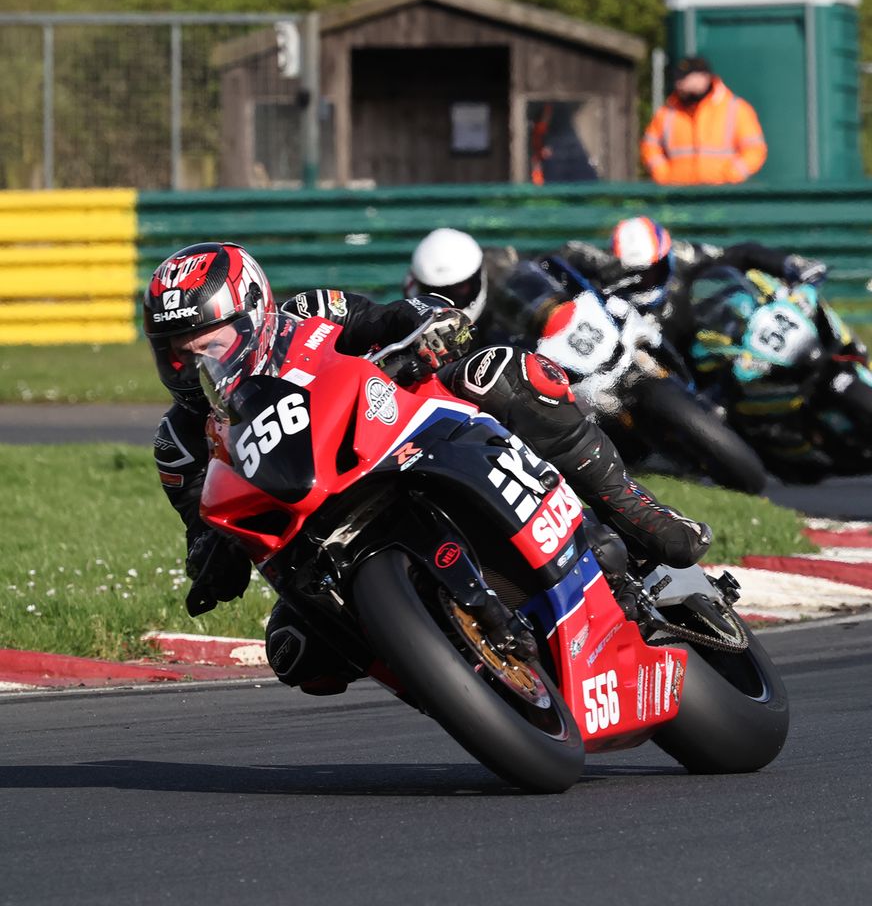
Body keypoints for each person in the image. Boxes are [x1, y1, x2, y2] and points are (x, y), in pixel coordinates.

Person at [145, 242, 711, 694]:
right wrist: (212, 562)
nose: (195, 364)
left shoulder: (309, 315)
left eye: (210, 344)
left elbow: (393, 316)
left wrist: (428, 329)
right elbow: (203, 526)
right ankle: (445, 673)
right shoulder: (179, 442)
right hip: (316, 531)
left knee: (506, 374)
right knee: (297, 653)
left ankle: (634, 509)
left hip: (397, 431)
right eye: (176, 352)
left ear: (255, 316)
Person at [552, 216, 827, 354]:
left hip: (731, 336)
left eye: (655, 267)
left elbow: (738, 254)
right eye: (640, 272)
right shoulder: (615, 291)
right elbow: (567, 255)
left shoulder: (685, 256)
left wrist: (788, 264)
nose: (649, 278)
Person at [640, 56, 767, 185]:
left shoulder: (737, 109)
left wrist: (731, 175)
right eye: (677, 78)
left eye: (684, 78)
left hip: (722, 194)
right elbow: (649, 147)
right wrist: (663, 174)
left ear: (704, 77)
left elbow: (755, 149)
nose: (679, 83)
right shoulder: (666, 112)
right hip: (679, 194)